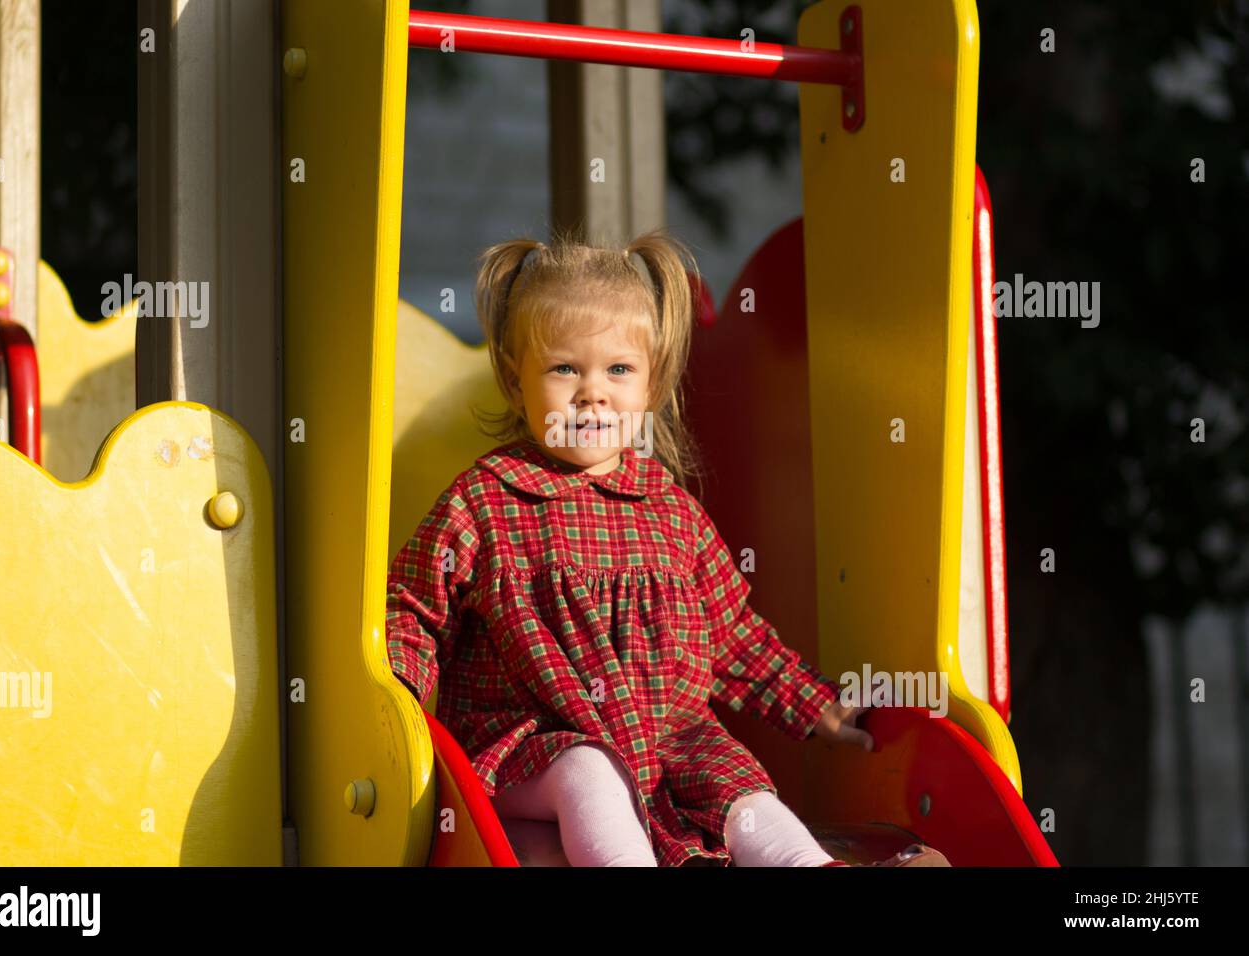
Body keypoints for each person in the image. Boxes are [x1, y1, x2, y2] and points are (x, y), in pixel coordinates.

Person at [386, 226, 949, 868]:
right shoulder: (489, 500)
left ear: (649, 388)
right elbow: (412, 605)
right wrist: (395, 693)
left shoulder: (669, 510)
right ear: (517, 383)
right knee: (591, 771)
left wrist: (810, 702)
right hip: (534, 747)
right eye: (564, 368)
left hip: (664, 743)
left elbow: (730, 632)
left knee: (740, 786)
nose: (592, 391)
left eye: (618, 370)